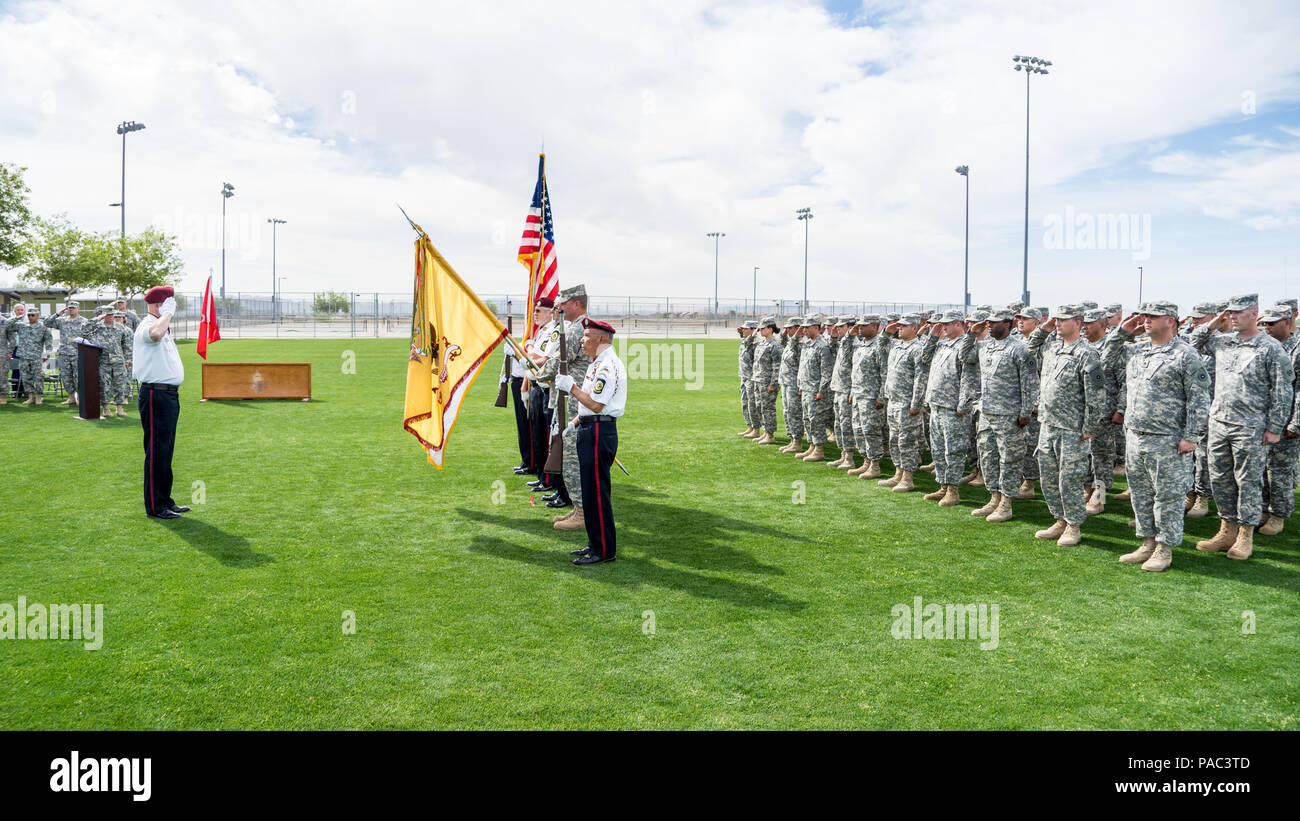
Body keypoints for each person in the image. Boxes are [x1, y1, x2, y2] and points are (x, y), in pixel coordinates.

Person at [1103, 303, 1210, 571]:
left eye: (1153, 316)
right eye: (1144, 316)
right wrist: (1121, 333)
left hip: (1168, 439)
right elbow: (1104, 361)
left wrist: (1192, 436)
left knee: (1168, 496)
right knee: (1141, 494)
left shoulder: (1186, 355)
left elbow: (1199, 399)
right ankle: (1147, 542)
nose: (1146, 320)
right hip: (1136, 436)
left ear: (1171, 320)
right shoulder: (1137, 350)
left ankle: (1164, 548)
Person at [1188, 294, 1295, 560]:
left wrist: (1275, 427)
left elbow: (1282, 391)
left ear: (1254, 313)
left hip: (1251, 426)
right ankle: (1226, 530)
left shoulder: (1270, 347)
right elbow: (1194, 341)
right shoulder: (1224, 342)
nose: (1232, 317)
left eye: (1238, 312)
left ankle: (1245, 535)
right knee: (1220, 479)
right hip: (1219, 423)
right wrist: (1215, 321)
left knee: (1247, 481)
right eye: (1229, 313)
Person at [1027, 306, 1106, 546]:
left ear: (1079, 322)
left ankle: (1073, 525)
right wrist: (1045, 327)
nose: (1058, 323)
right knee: (1049, 478)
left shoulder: (1086, 353)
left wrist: (1090, 426)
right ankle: (1059, 519)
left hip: (1072, 429)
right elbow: (1031, 346)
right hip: (1048, 424)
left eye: (1063, 320)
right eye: (1057, 320)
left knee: (1069, 479)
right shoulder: (1052, 348)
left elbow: (1097, 394)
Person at [554, 318, 627, 566]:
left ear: (601, 338)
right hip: (590, 429)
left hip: (599, 433)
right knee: (590, 492)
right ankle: (595, 544)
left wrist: (571, 387)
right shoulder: (598, 363)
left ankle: (603, 551)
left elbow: (596, 404)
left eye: (587, 336)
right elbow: (589, 407)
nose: (583, 341)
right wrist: (574, 423)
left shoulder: (608, 366)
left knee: (597, 494)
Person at [969, 309, 1038, 521]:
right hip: (987, 412)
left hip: (1009, 415)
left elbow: (1030, 383)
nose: (989, 325)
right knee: (988, 456)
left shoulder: (1020, 349)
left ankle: (1006, 503)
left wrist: (1026, 412)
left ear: (1008, 324)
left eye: (995, 322)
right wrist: (972, 334)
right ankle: (994, 497)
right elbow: (965, 357)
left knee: (1009, 459)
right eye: (988, 322)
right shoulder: (985, 347)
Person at [134, 286, 189, 520]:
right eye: (169, 304)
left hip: (167, 396)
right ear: (160, 305)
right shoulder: (148, 325)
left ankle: (165, 499)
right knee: (157, 452)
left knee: (165, 451)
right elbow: (154, 335)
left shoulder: (160, 325)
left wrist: (165, 316)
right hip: (155, 395)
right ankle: (156, 507)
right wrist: (166, 314)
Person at [540, 284, 592, 530]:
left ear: (577, 304)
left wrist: (535, 373)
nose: (559, 306)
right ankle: (578, 510)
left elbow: (557, 362)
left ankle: (582, 514)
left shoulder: (574, 330)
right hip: (575, 401)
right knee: (573, 459)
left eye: (564, 303)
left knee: (572, 461)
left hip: (573, 404)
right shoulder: (580, 327)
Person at [918, 309, 977, 505]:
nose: (942, 326)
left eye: (947, 323)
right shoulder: (941, 344)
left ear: (958, 324)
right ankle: (943, 485)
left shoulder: (966, 346)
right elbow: (924, 359)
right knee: (938, 449)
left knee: (954, 450)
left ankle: (953, 490)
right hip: (937, 404)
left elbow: (969, 377)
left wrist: (963, 403)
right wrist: (933, 337)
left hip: (954, 407)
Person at [1258, 306, 1300, 536]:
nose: (1267, 327)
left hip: (1287, 420)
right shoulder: (1265, 345)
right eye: (1265, 323)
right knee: (1261, 468)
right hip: (1262, 417)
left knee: (1280, 471)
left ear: (1288, 321)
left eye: (1272, 323)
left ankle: (1278, 515)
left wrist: (1297, 423)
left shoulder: (1297, 347)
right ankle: (1263, 510)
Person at [877, 314, 928, 491]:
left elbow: (920, 379)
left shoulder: (918, 348)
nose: (899, 329)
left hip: (907, 403)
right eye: (898, 326)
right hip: (893, 400)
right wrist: (886, 332)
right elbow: (880, 346)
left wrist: (916, 403)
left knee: (907, 441)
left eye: (903, 326)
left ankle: (908, 477)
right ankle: (898, 472)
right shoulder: (897, 345)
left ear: (914, 328)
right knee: (894, 440)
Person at [794, 316, 833, 462]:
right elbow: (802, 367)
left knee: (816, 420)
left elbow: (826, 372)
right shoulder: (807, 344)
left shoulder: (822, 346)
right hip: (806, 388)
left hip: (815, 390)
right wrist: (800, 386)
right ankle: (811, 445)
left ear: (816, 327)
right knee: (807, 419)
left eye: (807, 327)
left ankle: (819, 449)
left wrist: (822, 391)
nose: (804, 330)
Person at [828, 316, 859, 469]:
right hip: (838, 388)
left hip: (847, 390)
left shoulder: (855, 345)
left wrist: (852, 391)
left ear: (850, 328)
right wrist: (834, 336)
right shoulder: (843, 343)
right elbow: (831, 347)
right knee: (839, 424)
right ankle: (843, 455)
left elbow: (857, 372)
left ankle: (850, 457)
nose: (837, 329)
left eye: (841, 327)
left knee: (847, 426)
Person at [43, 301, 89, 405]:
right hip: (64, 352)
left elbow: (89, 336)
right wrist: (57, 314)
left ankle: (80, 398)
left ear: (78, 308)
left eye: (74, 307)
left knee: (78, 376)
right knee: (66, 376)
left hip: (78, 353)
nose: (71, 309)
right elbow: (46, 323)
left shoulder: (84, 321)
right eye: (70, 308)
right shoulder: (62, 320)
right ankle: (71, 398)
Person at [13, 306, 53, 405]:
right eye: (29, 315)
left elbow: (49, 343)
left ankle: (38, 397)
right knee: (26, 377)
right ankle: (31, 397)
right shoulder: (21, 325)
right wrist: (16, 317)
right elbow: (7, 325)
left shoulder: (43, 327)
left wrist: (46, 355)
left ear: (38, 316)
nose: (30, 317)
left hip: (37, 357)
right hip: (24, 356)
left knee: (38, 377)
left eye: (32, 315)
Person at [750, 316, 781, 445]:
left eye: (763, 329)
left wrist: (773, 384)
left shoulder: (775, 345)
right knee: (759, 407)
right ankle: (765, 432)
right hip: (758, 380)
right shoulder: (762, 343)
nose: (760, 331)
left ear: (770, 329)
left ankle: (770, 434)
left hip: (767, 382)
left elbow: (777, 367)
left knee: (768, 409)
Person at [777, 317, 805, 453]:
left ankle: (798, 441)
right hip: (786, 382)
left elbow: (802, 367)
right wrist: (784, 336)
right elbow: (784, 344)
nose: (786, 330)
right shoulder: (791, 343)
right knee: (787, 412)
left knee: (795, 413)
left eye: (790, 328)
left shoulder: (801, 344)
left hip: (794, 383)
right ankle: (792, 439)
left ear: (797, 329)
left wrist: (800, 386)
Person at [737, 320, 759, 437]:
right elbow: (745, 342)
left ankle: (756, 429)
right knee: (745, 403)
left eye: (746, 329)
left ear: (753, 330)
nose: (743, 330)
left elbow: (749, 346)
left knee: (752, 404)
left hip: (751, 377)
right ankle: (750, 426)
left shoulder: (756, 343)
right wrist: (741, 333)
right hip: (744, 376)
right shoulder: (746, 340)